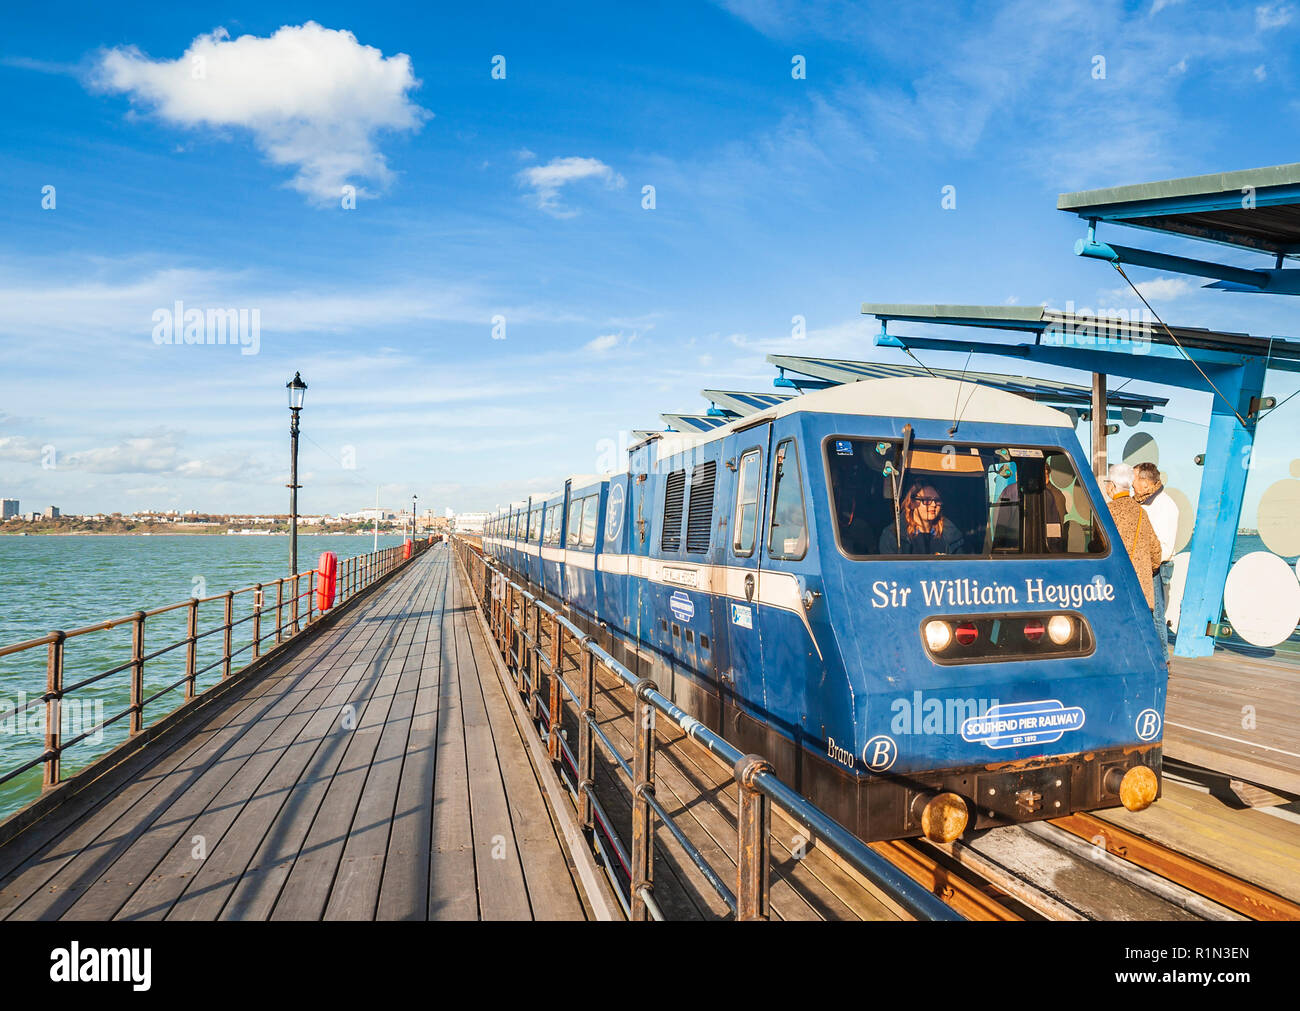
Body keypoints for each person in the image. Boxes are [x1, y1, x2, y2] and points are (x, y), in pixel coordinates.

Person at [1102, 463, 1162, 613]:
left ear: (1112, 485)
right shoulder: (1141, 512)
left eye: (1107, 482)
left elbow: (1098, 547)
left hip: (1117, 589)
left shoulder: (1108, 511)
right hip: (1142, 592)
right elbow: (1156, 552)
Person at [1134, 461, 1179, 657]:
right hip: (1147, 564)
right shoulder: (1143, 501)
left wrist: (1148, 563)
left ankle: (1162, 658)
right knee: (1150, 613)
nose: (1131, 483)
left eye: (1134, 478)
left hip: (1156, 566)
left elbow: (1163, 546)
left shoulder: (1164, 506)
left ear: (1145, 482)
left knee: (1156, 614)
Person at [879, 483, 965, 554]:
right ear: (912, 503)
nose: (933, 505)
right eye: (926, 500)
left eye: (937, 500)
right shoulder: (894, 536)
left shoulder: (952, 536)